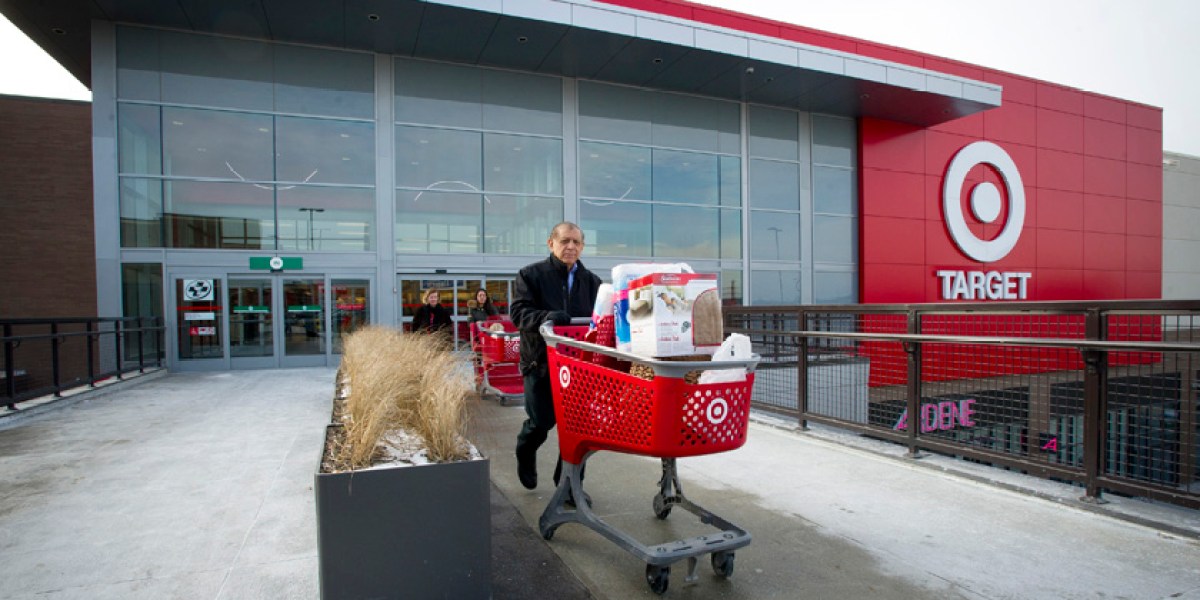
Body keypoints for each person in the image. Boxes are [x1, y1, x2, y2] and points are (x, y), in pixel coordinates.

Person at [510, 222, 602, 504]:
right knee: (542, 422)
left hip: (579, 368)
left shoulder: (594, 283)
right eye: (564, 241)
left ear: (583, 246)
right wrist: (548, 317)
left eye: (576, 242)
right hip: (540, 363)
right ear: (551, 243)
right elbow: (518, 313)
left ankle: (569, 485)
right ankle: (525, 450)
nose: (570, 247)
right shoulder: (531, 275)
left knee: (579, 428)